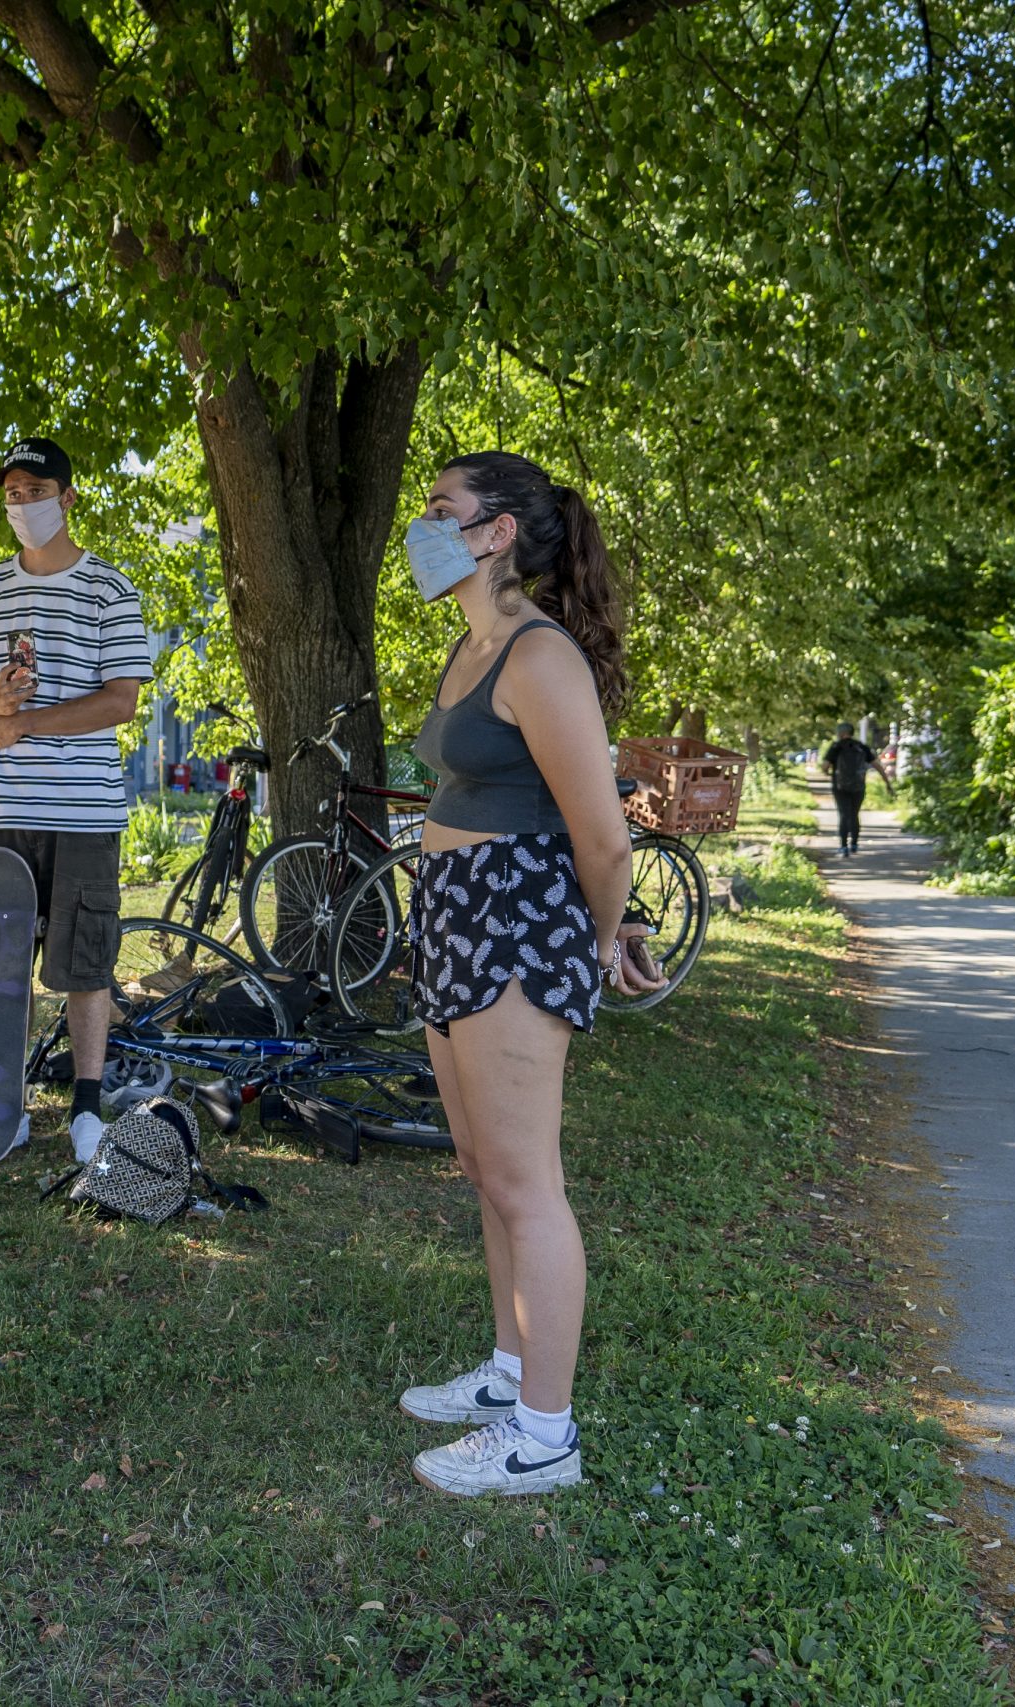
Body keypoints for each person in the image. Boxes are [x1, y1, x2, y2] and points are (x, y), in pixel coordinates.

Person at [389, 450, 665, 1499]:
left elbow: (603, 839)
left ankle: (544, 1438)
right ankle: (510, 1377)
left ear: (495, 532)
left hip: (513, 917)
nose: (422, 526)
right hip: (454, 912)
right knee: (478, 1162)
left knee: (525, 1183)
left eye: (438, 511)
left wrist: (596, 942)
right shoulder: (471, 647)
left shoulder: (540, 658)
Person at [0, 438, 153, 1164]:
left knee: (86, 962)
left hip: (83, 811)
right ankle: (4, 1103)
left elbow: (122, 701)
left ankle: (86, 1112)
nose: (21, 504)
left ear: (68, 498)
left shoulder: (111, 590)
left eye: (35, 491)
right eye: (10, 493)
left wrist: (24, 721)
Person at [821, 722, 889, 856]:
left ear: (840, 733)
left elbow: (825, 766)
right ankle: (854, 844)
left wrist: (828, 773)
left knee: (843, 814)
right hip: (858, 786)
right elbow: (878, 766)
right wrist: (887, 783)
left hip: (840, 787)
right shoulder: (861, 747)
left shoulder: (836, 747)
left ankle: (843, 846)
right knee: (854, 814)